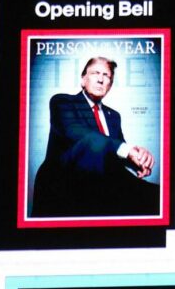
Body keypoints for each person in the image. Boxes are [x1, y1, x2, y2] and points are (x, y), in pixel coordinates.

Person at [31, 56, 159, 218]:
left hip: (107, 183)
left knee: (159, 196)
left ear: (110, 85)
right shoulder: (62, 102)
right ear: (83, 80)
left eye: (106, 76)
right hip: (64, 183)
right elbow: (77, 132)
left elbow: (117, 151)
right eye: (95, 73)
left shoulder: (114, 116)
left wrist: (138, 159)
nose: (100, 79)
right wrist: (127, 150)